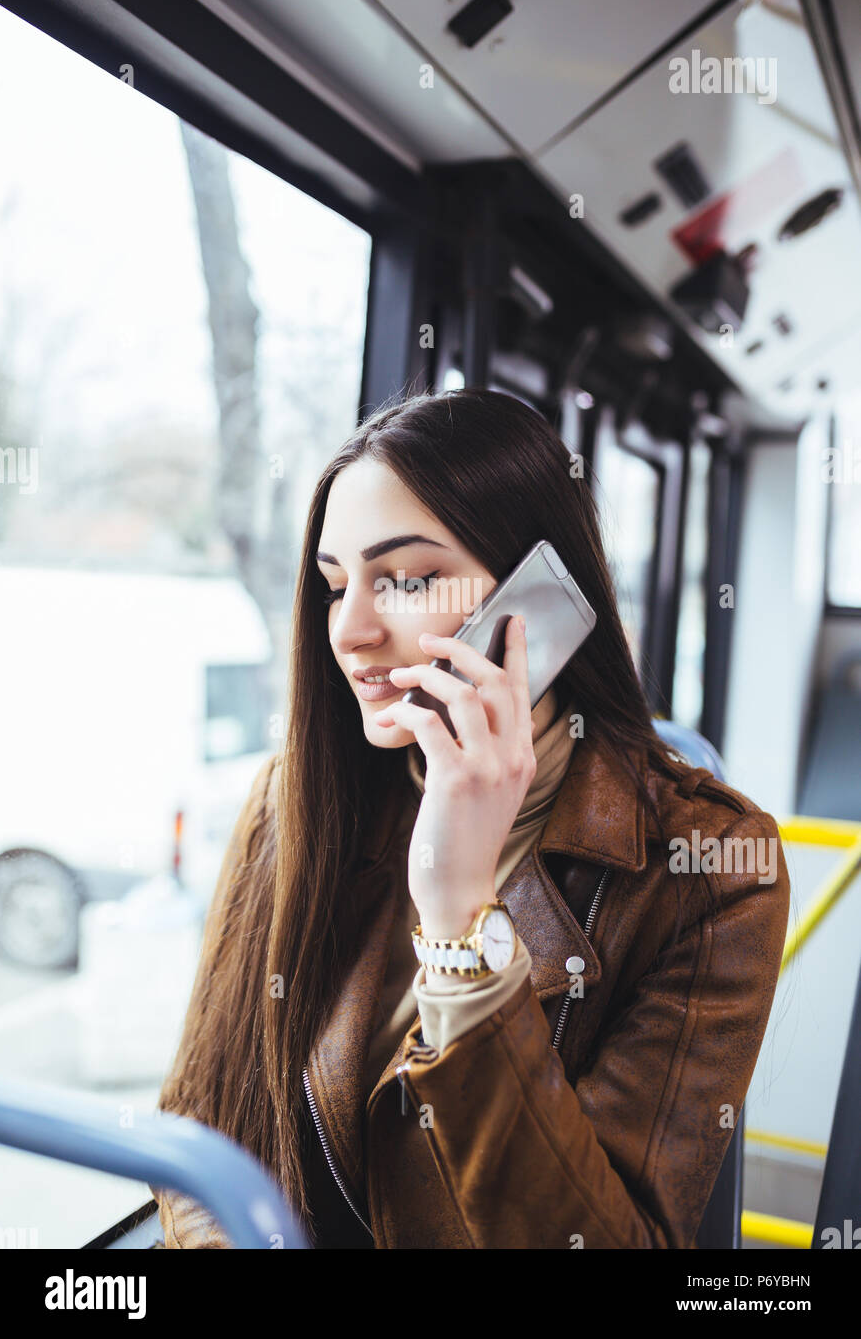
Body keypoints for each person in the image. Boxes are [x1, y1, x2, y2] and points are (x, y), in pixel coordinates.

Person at [150, 388, 790, 1249]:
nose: (350, 630)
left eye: (406, 579)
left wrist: (459, 921)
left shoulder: (714, 867)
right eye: (337, 585)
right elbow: (201, 1129)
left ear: (541, 600)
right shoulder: (292, 798)